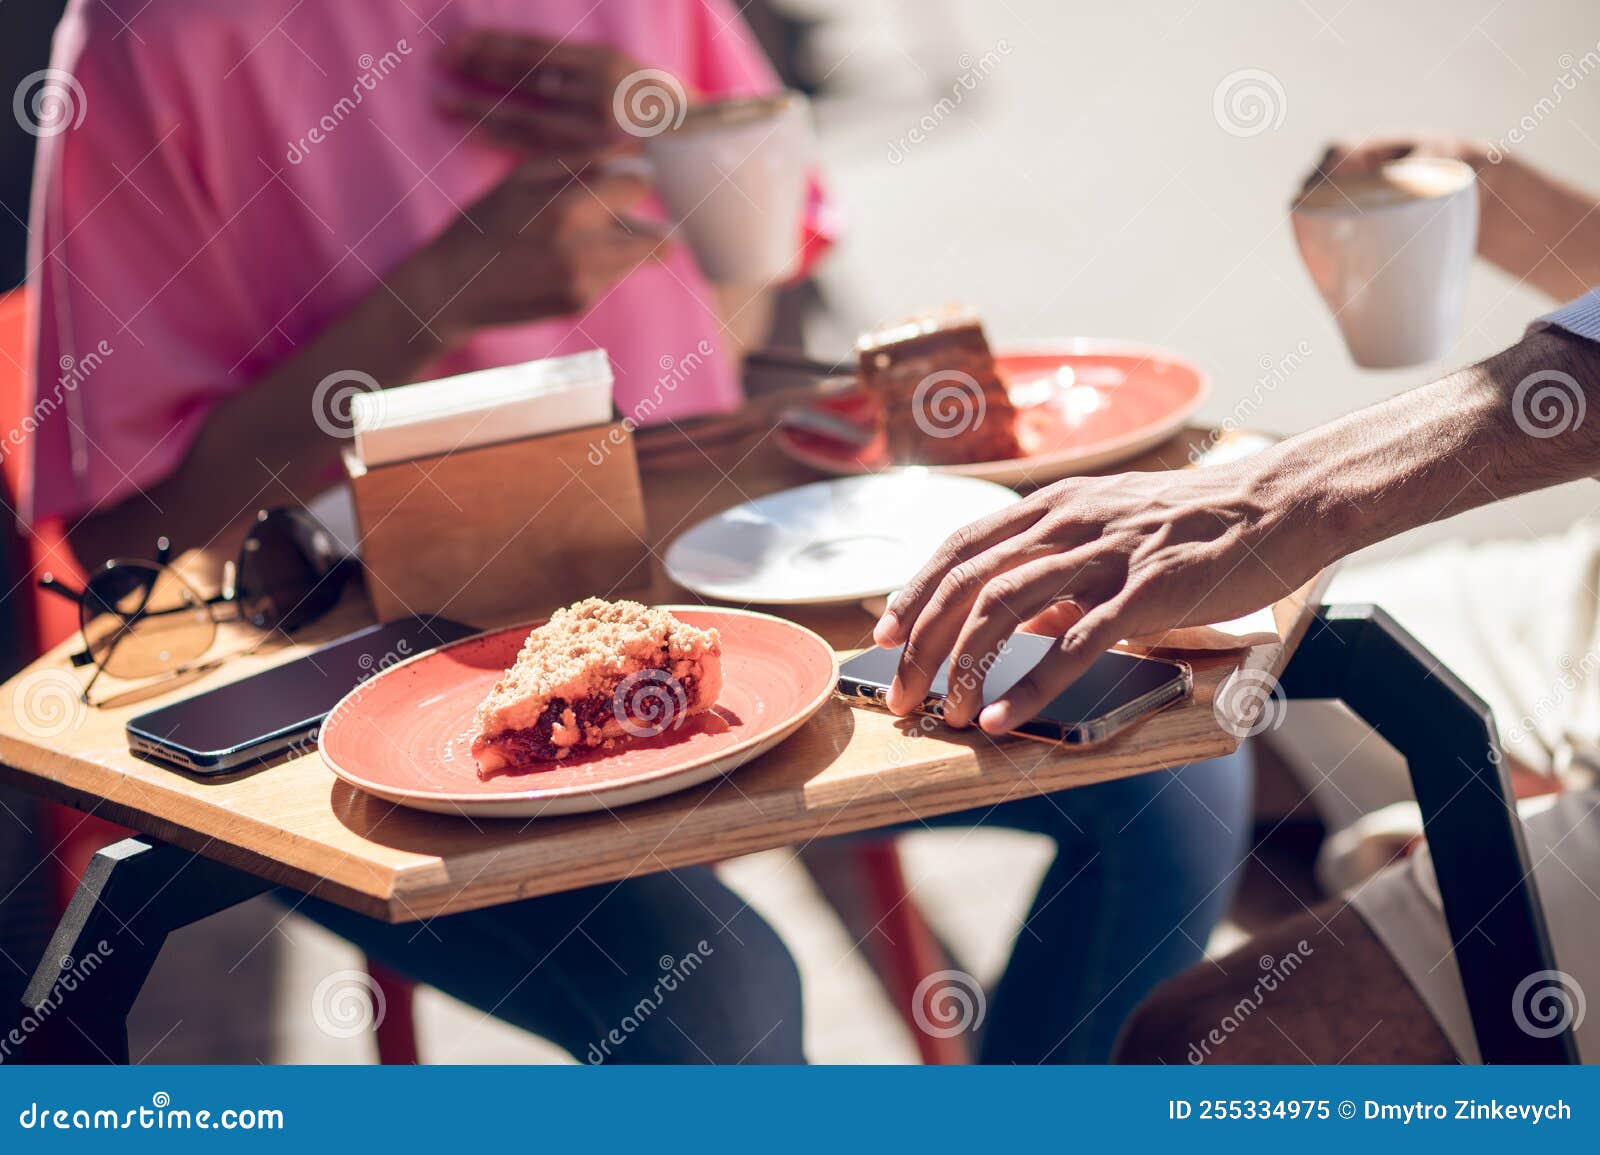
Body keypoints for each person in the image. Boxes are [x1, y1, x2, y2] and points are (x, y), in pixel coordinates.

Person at [23, 0, 1248, 1064]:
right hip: (374, 668)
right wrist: (435, 298)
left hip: (736, 594)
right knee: (723, 996)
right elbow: (136, 528)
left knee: (1166, 775)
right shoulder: (157, 35)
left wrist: (685, 152)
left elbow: (753, 281)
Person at [874, 135, 1600, 1064]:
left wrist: (1277, 497)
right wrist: (1499, 205)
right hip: (1576, 600)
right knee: (1158, 721)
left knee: (1190, 1047)